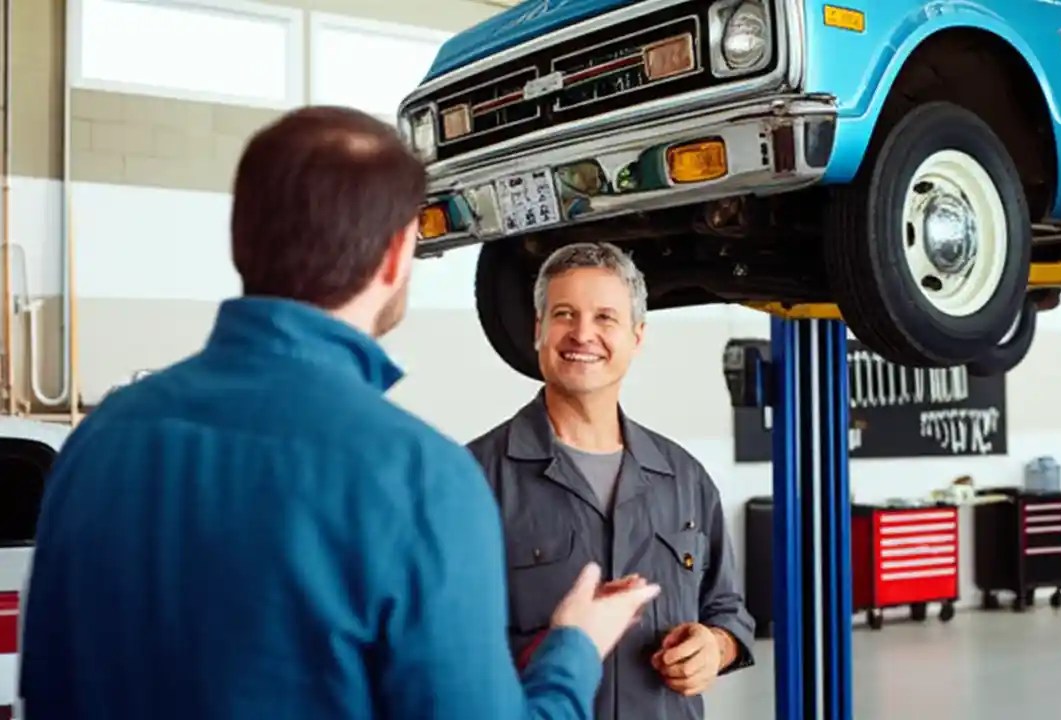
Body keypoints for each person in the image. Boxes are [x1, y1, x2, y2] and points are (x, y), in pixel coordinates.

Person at [17, 106, 661, 720]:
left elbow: (46, 691)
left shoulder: (97, 441)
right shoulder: (420, 478)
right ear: (394, 255)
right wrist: (574, 646)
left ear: (241, 238)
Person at [467, 242, 756, 720]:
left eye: (605, 317)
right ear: (538, 330)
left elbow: (726, 607)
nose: (583, 334)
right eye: (564, 314)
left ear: (636, 337)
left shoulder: (684, 477)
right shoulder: (473, 478)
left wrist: (716, 646)